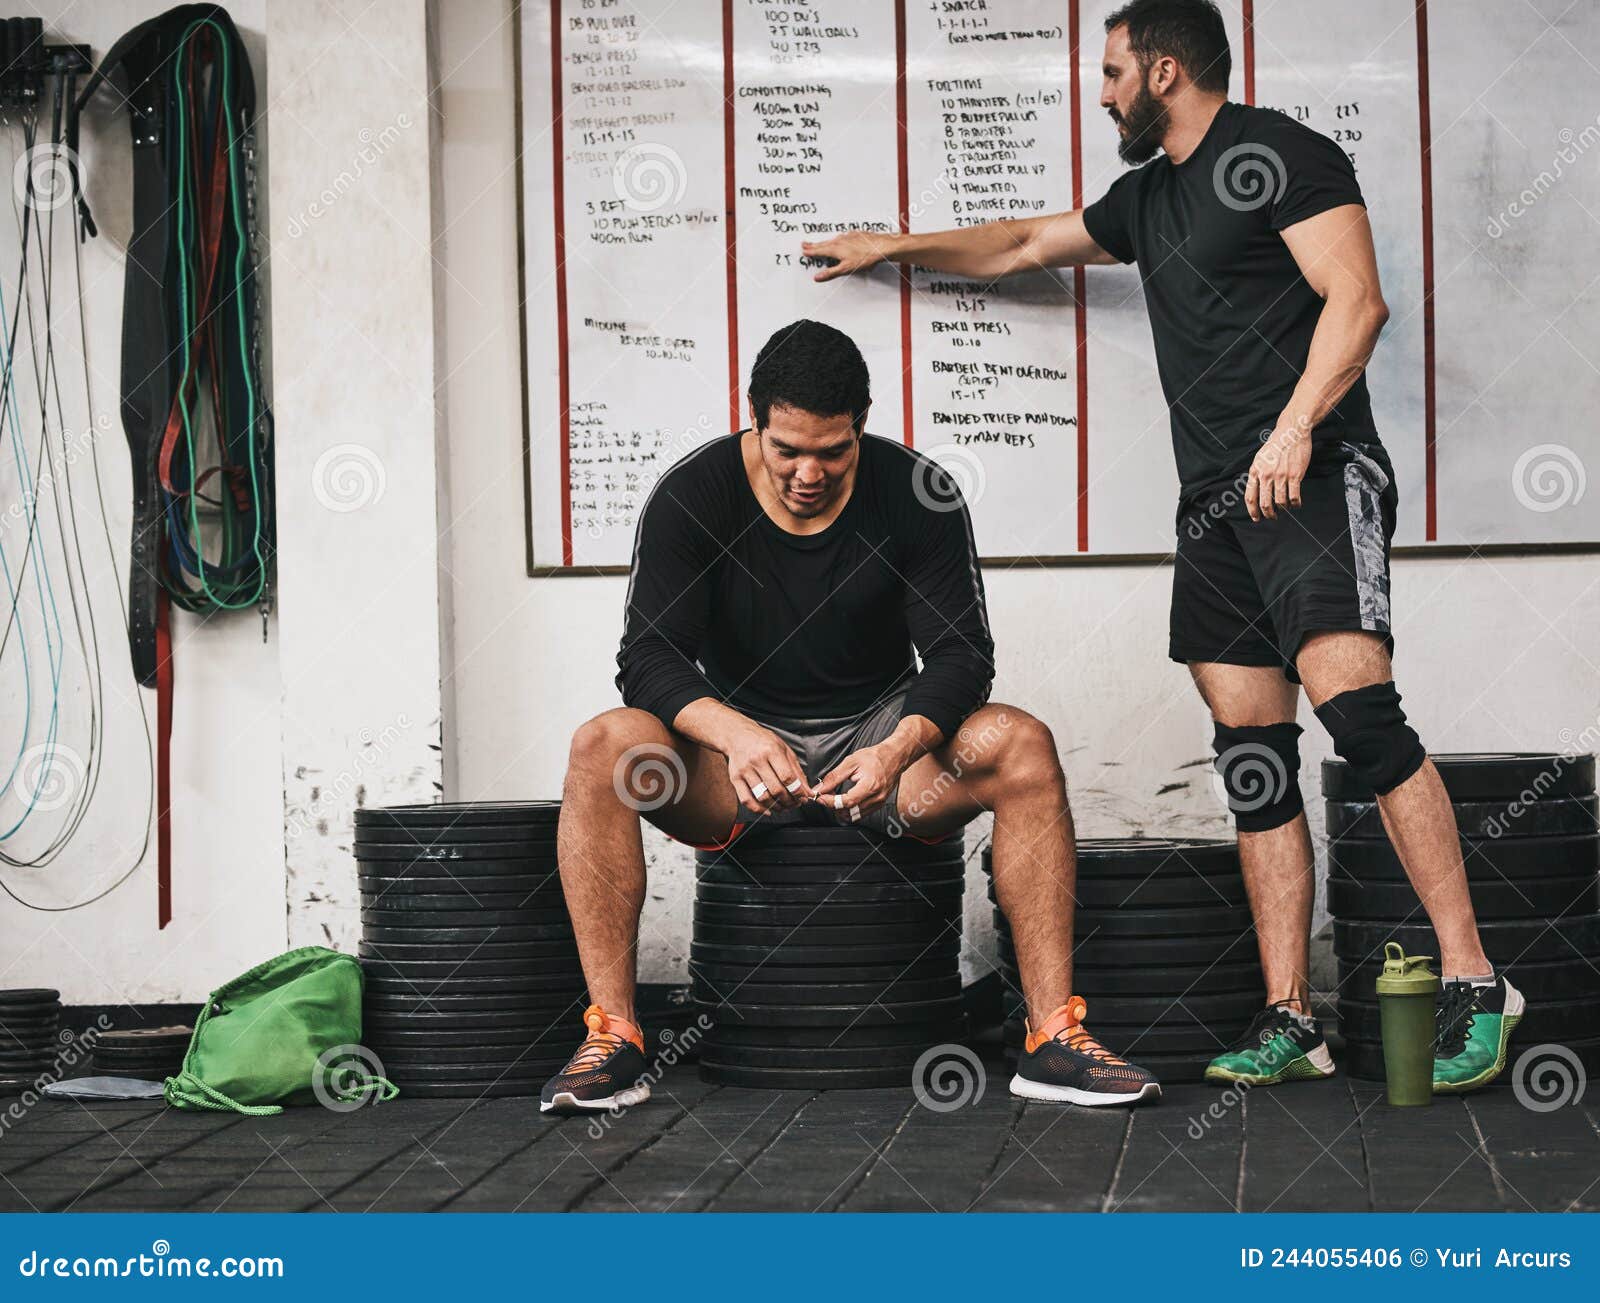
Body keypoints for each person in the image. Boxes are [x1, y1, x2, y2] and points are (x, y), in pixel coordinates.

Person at [804, 0, 1520, 1094]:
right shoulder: (1150, 198)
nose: (1100, 94)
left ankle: (1475, 980)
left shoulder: (1279, 154)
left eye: (1110, 73)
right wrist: (891, 246)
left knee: (1362, 720)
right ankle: (1292, 1018)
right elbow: (1023, 244)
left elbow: (1358, 301)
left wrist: (1292, 432)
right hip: (1214, 511)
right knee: (1254, 766)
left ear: (1167, 71)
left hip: (1316, 479)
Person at [541, 320, 1161, 1114]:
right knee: (603, 747)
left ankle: (1049, 1040)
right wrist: (735, 734)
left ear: (861, 424)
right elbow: (648, 656)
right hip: (738, 766)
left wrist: (900, 747)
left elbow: (963, 655)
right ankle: (616, 1038)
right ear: (754, 418)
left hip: (882, 748)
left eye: (832, 451)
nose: (809, 472)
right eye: (788, 448)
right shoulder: (692, 496)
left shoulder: (915, 493)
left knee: (1022, 744)